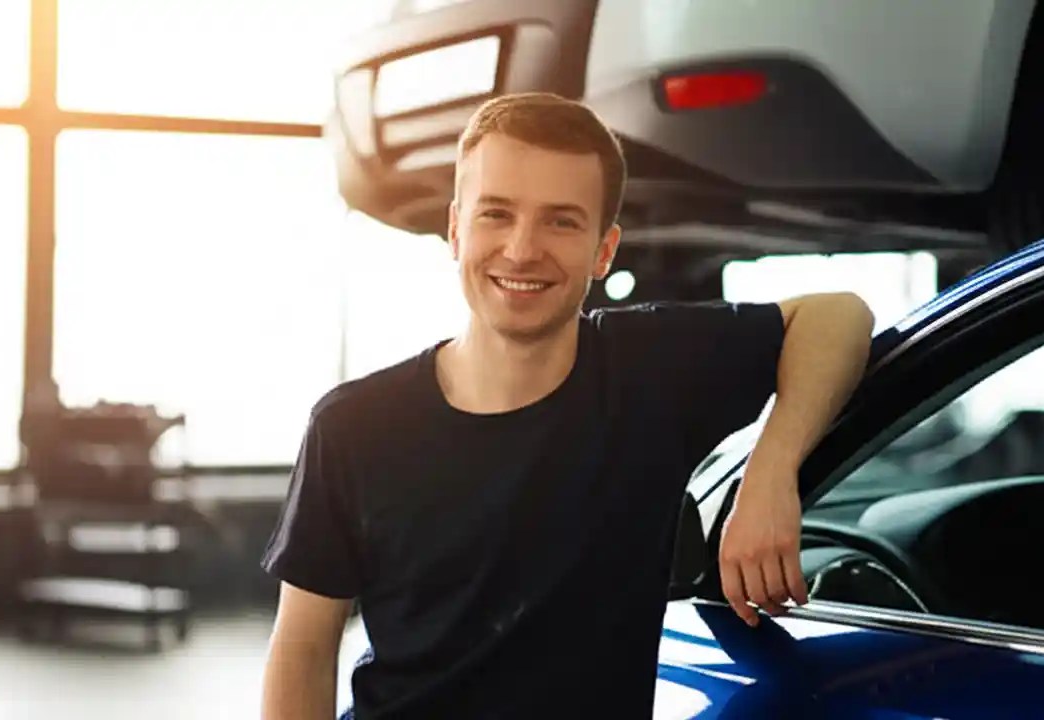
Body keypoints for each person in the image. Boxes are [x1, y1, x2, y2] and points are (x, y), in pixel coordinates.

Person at [260, 92, 874, 719]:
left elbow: (838, 318)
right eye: (496, 214)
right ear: (455, 230)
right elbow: (304, 649)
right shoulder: (354, 427)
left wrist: (772, 472)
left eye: (561, 221)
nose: (522, 250)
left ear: (604, 251)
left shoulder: (654, 371)